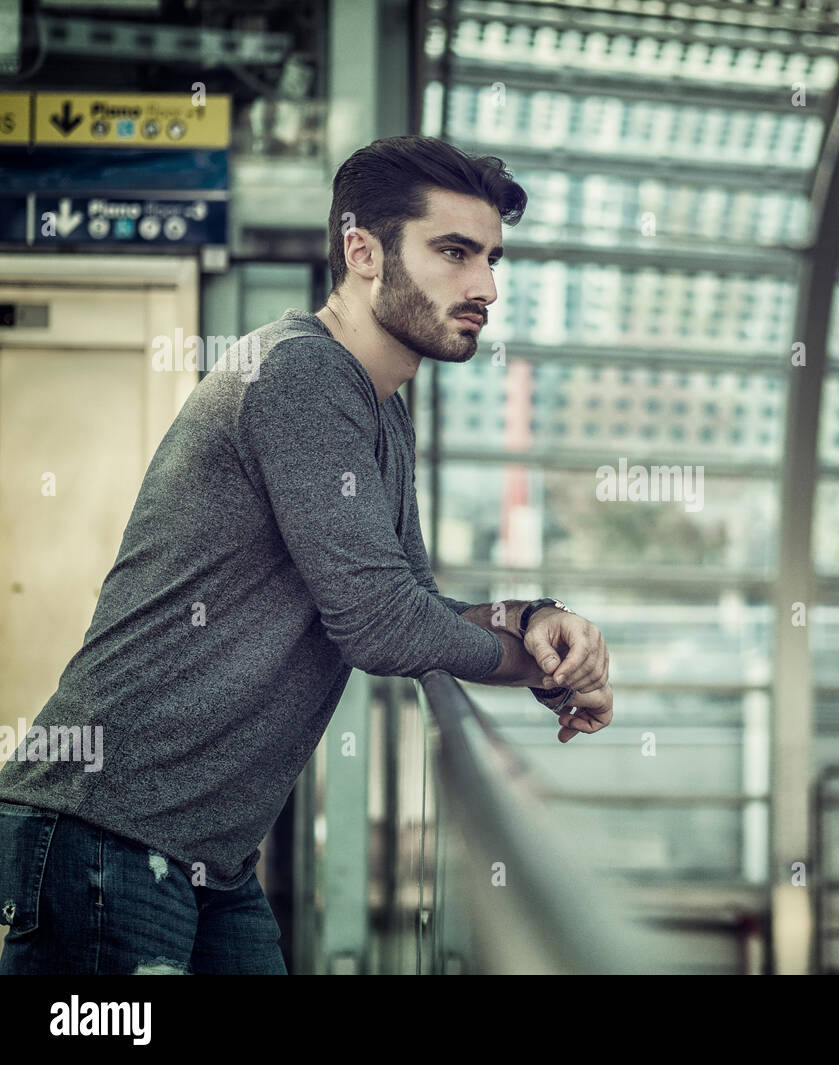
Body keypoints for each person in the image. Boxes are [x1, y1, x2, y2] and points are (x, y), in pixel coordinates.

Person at [0, 135, 612, 975]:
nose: (486, 288)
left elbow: (410, 598)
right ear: (362, 251)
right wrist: (534, 668)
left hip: (205, 853)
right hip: (108, 834)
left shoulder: (377, 407)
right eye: (455, 252)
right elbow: (380, 626)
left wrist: (536, 621)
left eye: (493, 259)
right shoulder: (302, 377)